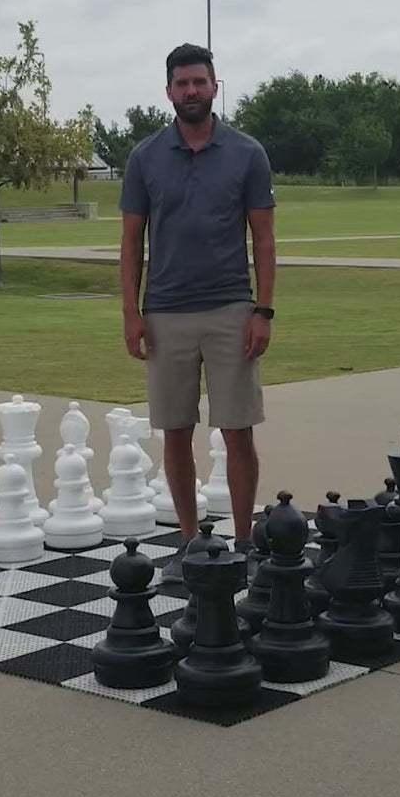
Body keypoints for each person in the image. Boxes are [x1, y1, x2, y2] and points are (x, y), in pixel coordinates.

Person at [117, 42, 276, 578]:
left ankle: (246, 540)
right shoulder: (145, 157)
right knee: (176, 431)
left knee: (237, 430)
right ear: (169, 92)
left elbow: (265, 240)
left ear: (214, 86)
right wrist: (131, 314)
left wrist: (264, 310)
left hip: (231, 307)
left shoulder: (247, 153)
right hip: (165, 312)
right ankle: (190, 543)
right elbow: (131, 242)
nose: (191, 92)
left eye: (199, 82)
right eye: (181, 84)